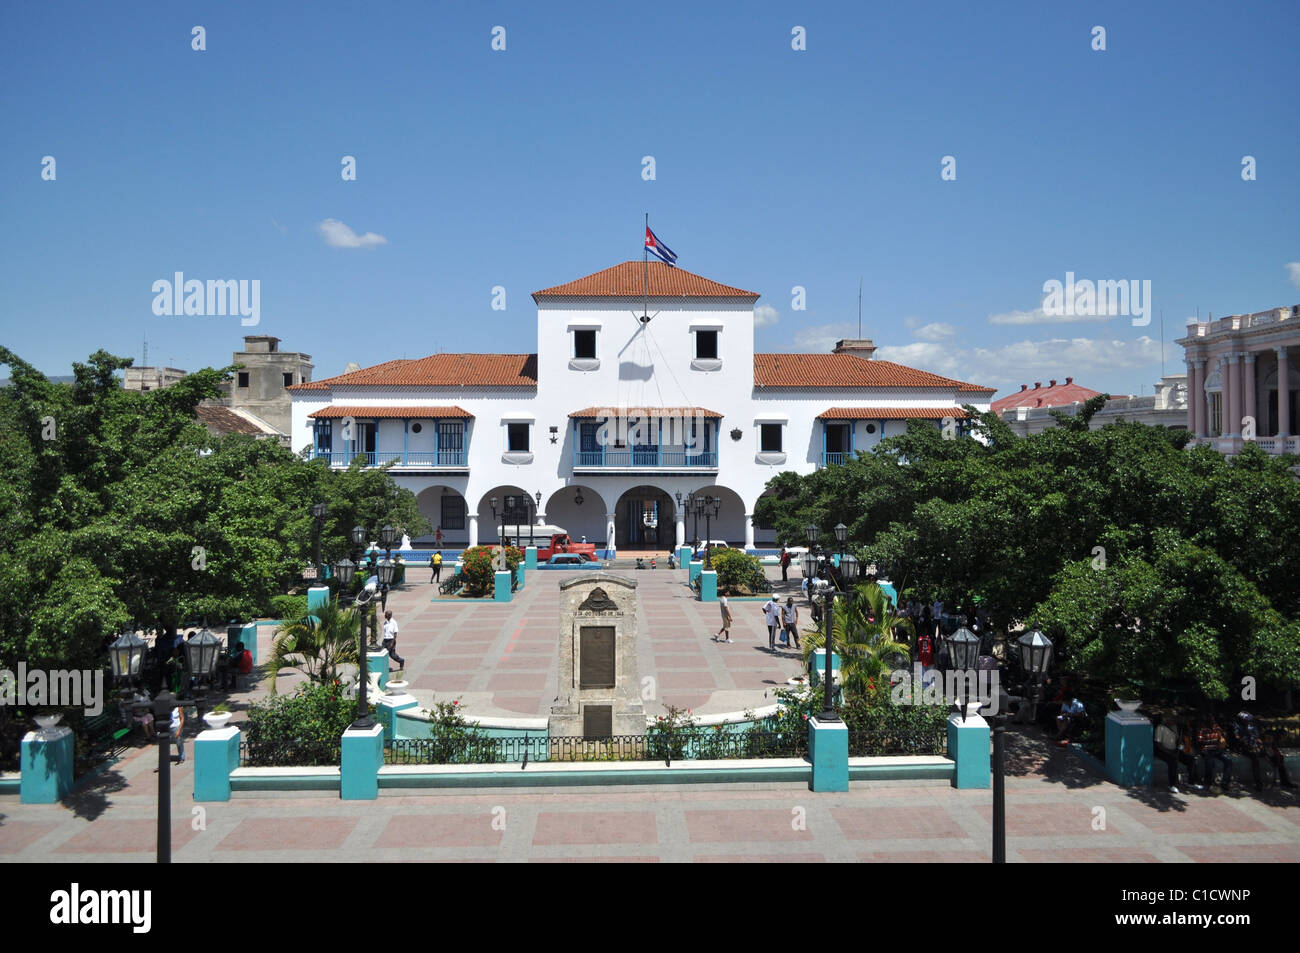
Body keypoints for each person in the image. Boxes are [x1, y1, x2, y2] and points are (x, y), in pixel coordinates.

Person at [1233, 711, 1266, 792]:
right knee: (1255, 760)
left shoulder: (1251, 726)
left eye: (1248, 720)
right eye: (1245, 720)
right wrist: (1246, 743)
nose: (1247, 721)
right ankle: (1258, 783)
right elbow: (1237, 738)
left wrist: (1258, 742)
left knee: (1270, 755)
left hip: (1254, 746)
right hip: (1244, 748)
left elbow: (1256, 736)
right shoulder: (1238, 727)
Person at [1198, 717, 1233, 791]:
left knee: (1228, 761)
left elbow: (1222, 740)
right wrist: (1211, 743)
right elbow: (1201, 742)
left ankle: (1225, 783)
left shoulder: (1217, 729)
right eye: (1211, 722)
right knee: (1210, 762)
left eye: (1213, 722)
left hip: (1217, 750)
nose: (1213, 723)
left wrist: (1220, 736)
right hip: (1207, 750)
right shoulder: (1203, 730)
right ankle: (1208, 783)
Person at [1152, 713, 1183, 793]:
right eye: (1171, 719)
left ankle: (1191, 781)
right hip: (1162, 751)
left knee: (1190, 759)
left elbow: (1177, 740)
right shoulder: (1160, 728)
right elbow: (1158, 744)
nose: (1174, 721)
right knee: (1172, 761)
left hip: (1174, 750)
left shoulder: (1175, 727)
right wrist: (1169, 752)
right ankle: (1172, 784)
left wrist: (1179, 746)